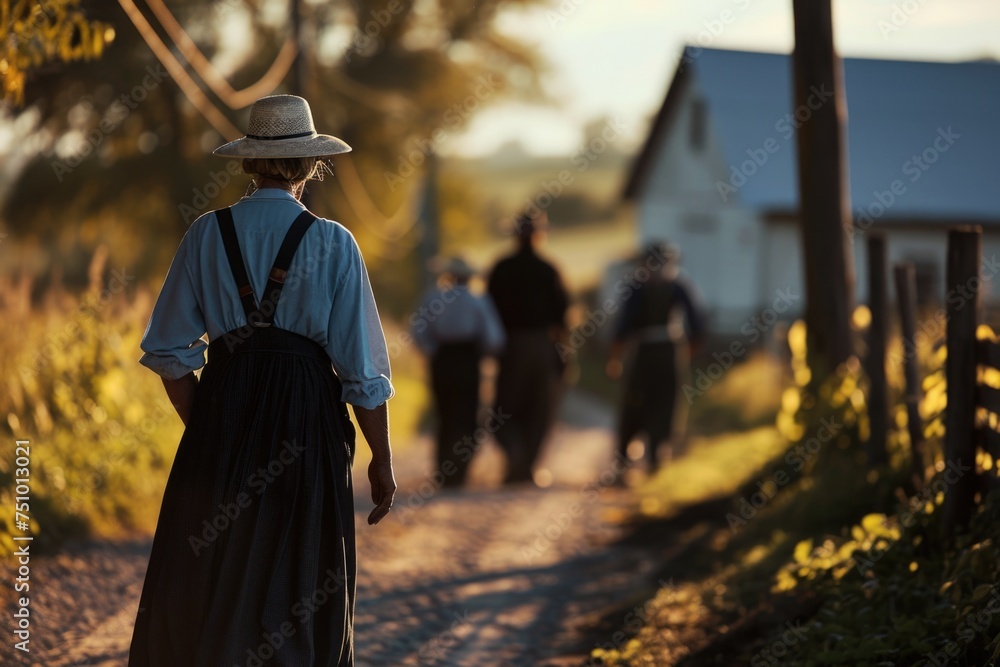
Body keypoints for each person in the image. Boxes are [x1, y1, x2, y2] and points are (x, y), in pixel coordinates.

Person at [128, 95, 396, 667]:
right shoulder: (333, 243)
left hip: (221, 408)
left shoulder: (206, 233)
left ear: (250, 163)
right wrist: (382, 459)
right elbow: (361, 370)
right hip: (306, 421)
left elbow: (169, 353)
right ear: (307, 166)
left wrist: (208, 425)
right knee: (299, 565)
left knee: (207, 570)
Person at [606, 241, 705, 477]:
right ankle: (655, 458)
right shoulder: (678, 285)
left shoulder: (637, 287)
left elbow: (622, 328)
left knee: (635, 402)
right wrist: (687, 353)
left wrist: (615, 359)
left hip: (643, 352)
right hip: (669, 351)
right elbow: (698, 325)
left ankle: (625, 460)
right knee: (664, 403)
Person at [487, 210, 569, 484]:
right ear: (539, 235)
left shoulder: (501, 268)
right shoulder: (549, 269)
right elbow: (563, 316)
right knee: (540, 408)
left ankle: (514, 454)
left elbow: (488, 311)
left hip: (509, 345)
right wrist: (563, 352)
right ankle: (528, 467)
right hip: (543, 345)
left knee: (504, 407)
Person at [411, 256, 505, 487]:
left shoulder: (433, 298)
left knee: (445, 414)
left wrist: (433, 351)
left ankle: (443, 470)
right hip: (467, 359)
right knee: (466, 416)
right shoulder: (478, 301)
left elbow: (417, 332)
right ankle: (458, 471)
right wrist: (483, 354)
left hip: (442, 359)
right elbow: (494, 338)